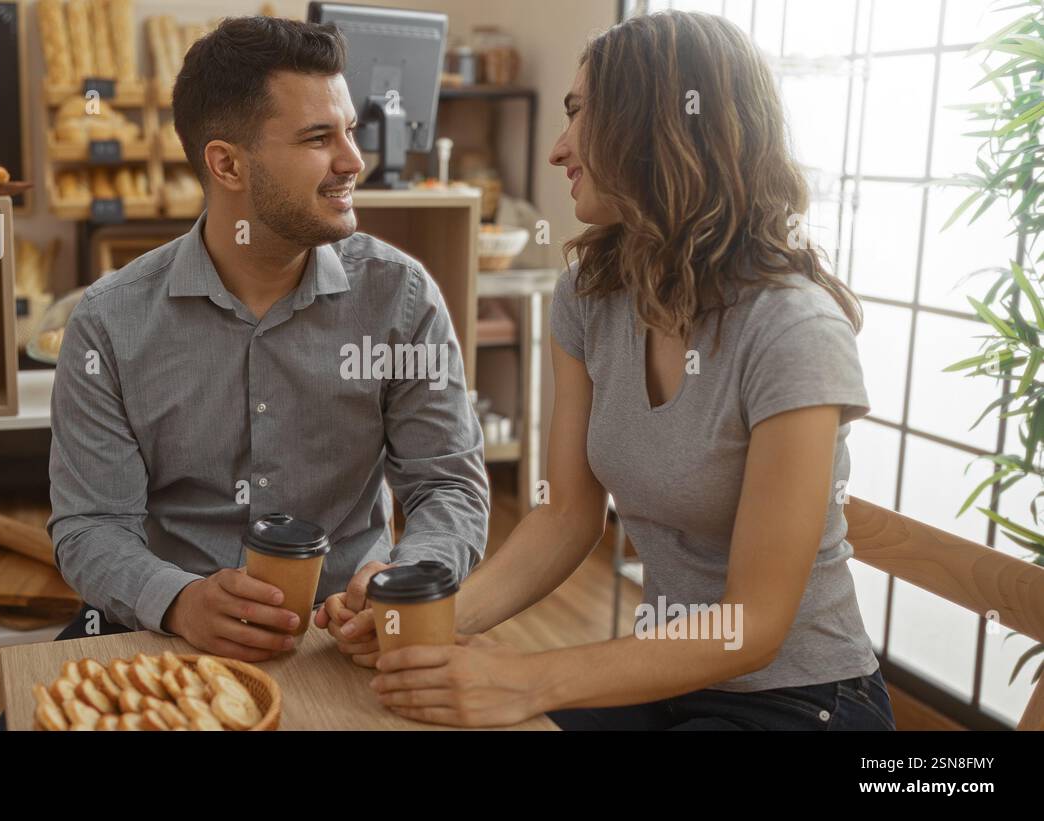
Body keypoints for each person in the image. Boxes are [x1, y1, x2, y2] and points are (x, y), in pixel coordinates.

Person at [367, 10, 895, 731]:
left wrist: (528, 680)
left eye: (579, 114)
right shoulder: (590, 295)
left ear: (654, 129)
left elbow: (755, 623)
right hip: (661, 677)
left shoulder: (793, 331)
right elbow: (564, 516)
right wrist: (430, 621)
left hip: (801, 698)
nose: (558, 149)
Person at [45, 17, 488, 664]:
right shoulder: (109, 323)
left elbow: (448, 485)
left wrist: (406, 577)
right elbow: (89, 526)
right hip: (163, 630)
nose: (354, 161)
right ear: (227, 164)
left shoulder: (401, 298)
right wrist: (179, 599)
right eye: (318, 138)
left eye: (350, 131)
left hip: (345, 638)